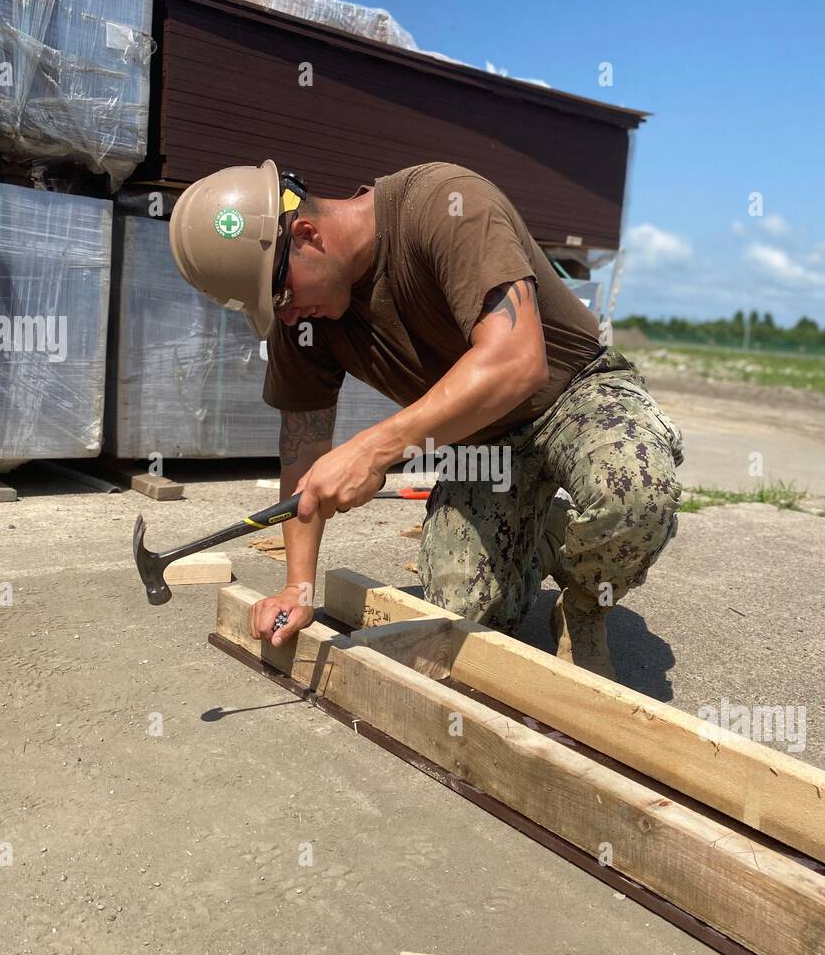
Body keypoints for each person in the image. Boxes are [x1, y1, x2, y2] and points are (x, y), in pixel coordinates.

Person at [169, 160, 683, 678]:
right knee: (463, 626)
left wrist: (373, 450)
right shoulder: (303, 320)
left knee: (636, 492)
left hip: (577, 392)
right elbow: (303, 452)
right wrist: (297, 587)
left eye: (280, 295)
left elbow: (519, 361)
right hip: (483, 441)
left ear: (306, 234)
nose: (285, 316)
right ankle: (544, 532)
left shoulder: (446, 204)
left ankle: (584, 606)